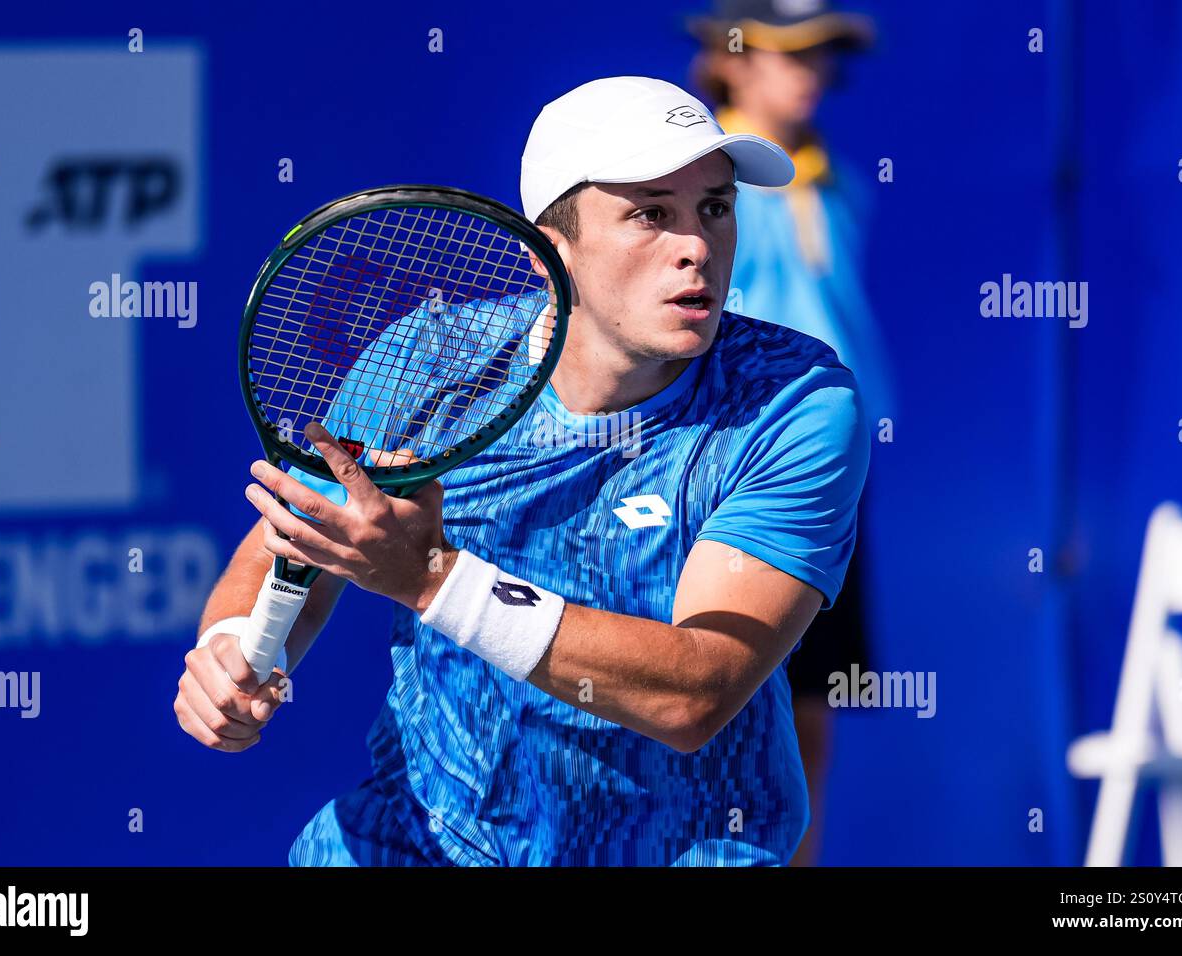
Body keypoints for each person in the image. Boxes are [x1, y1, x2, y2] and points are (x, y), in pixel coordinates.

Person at [173, 75, 869, 867]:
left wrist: (431, 577)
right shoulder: (424, 361)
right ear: (552, 252)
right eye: (651, 214)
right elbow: (294, 546)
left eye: (715, 206)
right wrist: (235, 647)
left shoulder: (794, 401)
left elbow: (694, 691)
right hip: (422, 843)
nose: (698, 247)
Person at [689, 0, 894, 865]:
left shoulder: (838, 179)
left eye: (823, 60)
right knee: (718, 691)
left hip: (834, 470)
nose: (808, 76)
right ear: (730, 60)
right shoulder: (700, 181)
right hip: (733, 458)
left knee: (810, 705)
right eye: (788, 54)